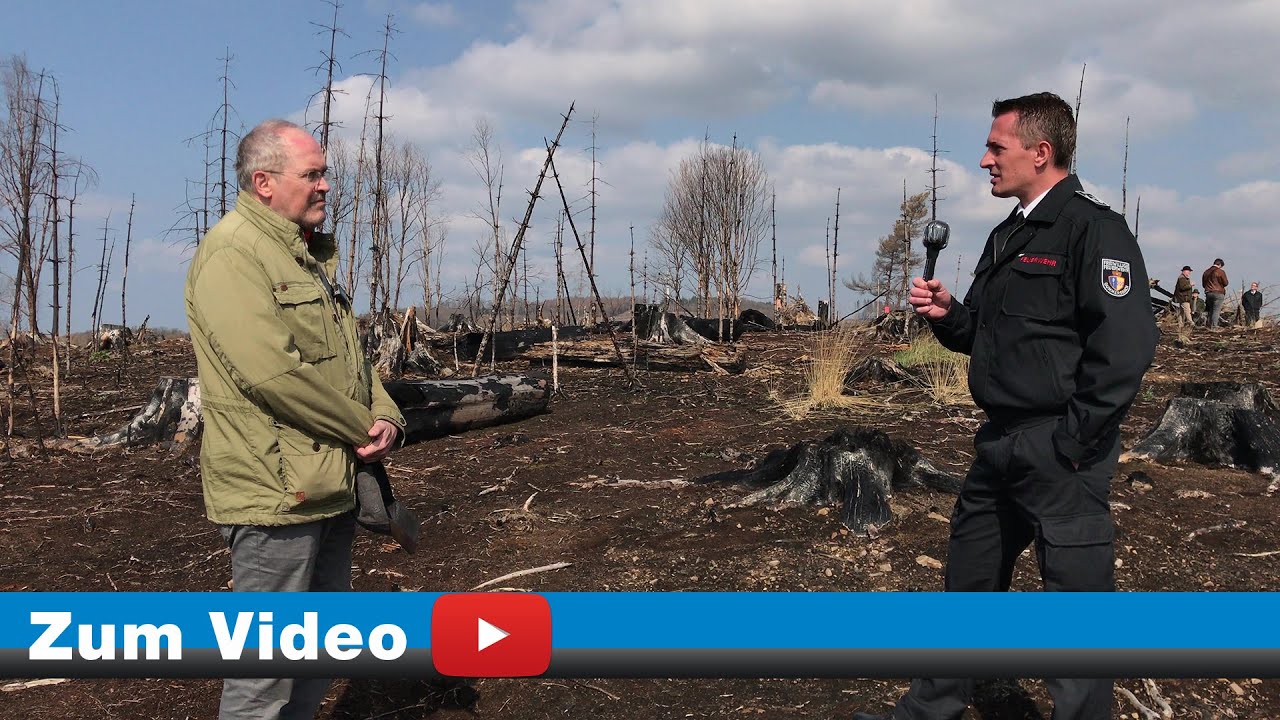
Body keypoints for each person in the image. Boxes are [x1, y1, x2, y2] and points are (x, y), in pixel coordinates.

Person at [854, 93, 1158, 720]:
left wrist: (1073, 440)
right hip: (998, 445)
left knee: (1075, 613)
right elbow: (987, 334)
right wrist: (948, 315)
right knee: (968, 586)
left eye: (997, 147)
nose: (984, 159)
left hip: (1060, 451)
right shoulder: (1009, 234)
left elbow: (1125, 347)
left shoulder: (1094, 230)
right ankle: (930, 710)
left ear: (1040, 152)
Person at [184, 119, 406, 720]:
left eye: (324, 173)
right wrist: (363, 427)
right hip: (274, 495)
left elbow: (348, 358)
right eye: (312, 174)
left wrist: (386, 412)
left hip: (329, 486)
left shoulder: (303, 255)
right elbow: (273, 375)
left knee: (318, 652)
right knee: (264, 674)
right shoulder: (233, 255)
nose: (326, 186)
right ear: (264, 182)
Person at [1202, 258, 1228, 329]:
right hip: (1218, 293)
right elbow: (1225, 283)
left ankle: (1208, 325)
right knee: (1216, 310)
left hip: (1208, 292)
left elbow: (1204, 284)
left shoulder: (1206, 272)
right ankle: (1214, 327)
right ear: (1220, 265)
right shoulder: (1220, 272)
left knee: (1210, 309)